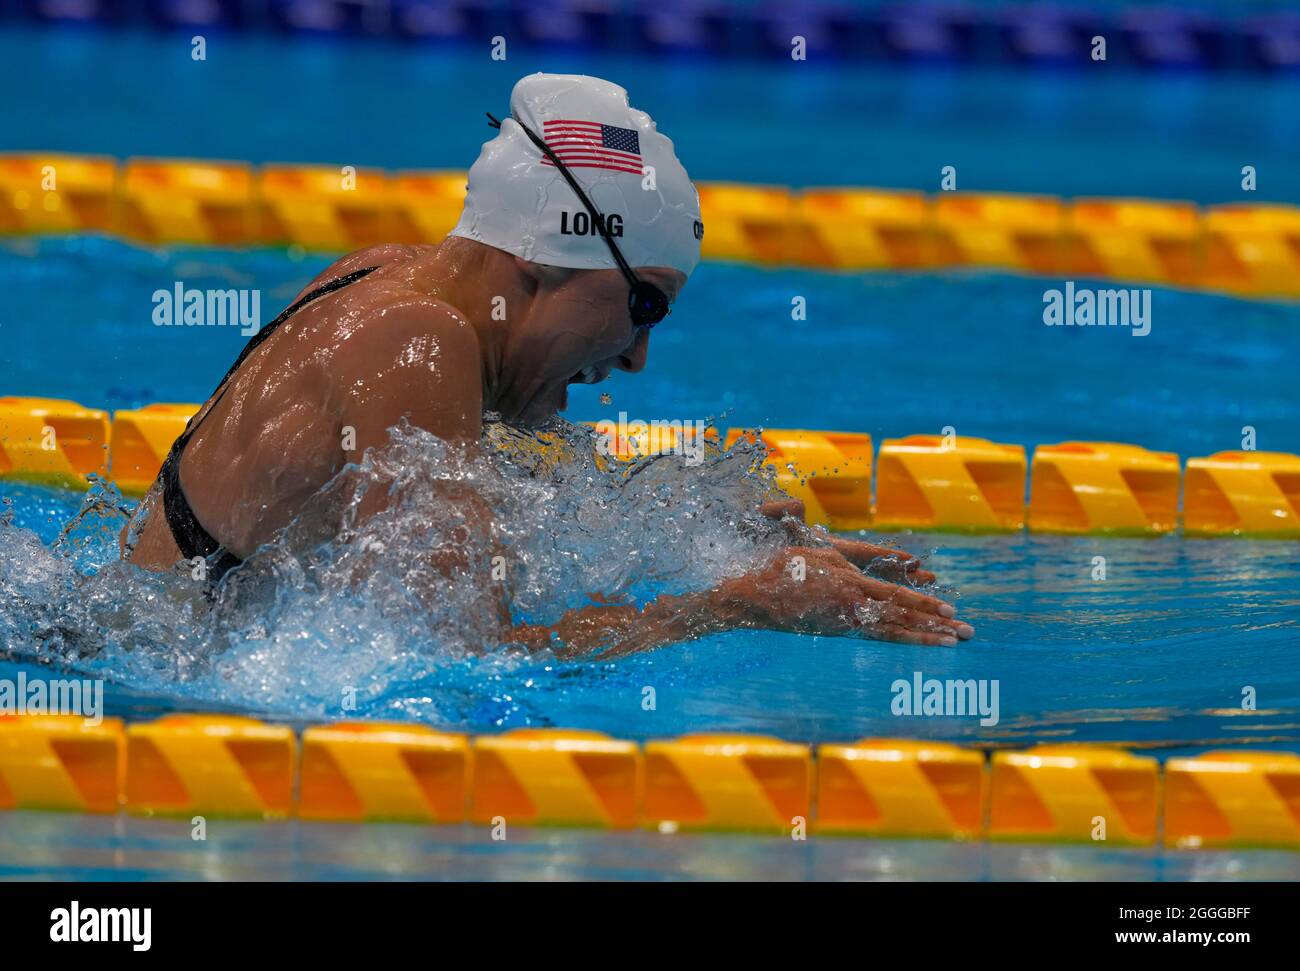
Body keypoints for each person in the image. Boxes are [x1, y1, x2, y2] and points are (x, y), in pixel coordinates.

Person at [122, 72, 974, 656]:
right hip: (172, 691)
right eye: (644, 305)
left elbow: (481, 500)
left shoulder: (393, 279)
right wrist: (740, 605)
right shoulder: (419, 340)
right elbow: (460, 656)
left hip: (151, 636)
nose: (639, 356)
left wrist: (706, 534)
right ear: (545, 261)